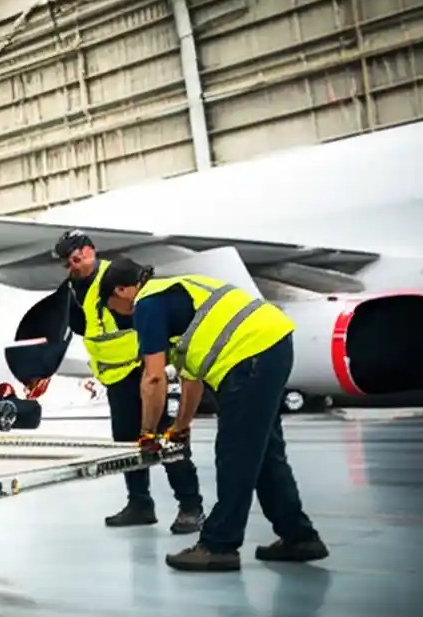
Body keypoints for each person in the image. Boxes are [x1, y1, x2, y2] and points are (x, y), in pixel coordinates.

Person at [98, 257, 329, 572]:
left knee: (235, 453)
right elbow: (190, 383)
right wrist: (179, 427)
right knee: (265, 453)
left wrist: (147, 432)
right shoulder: (181, 293)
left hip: (250, 356)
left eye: (112, 305)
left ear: (123, 290)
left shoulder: (148, 304)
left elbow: (153, 379)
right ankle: (299, 537)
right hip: (272, 344)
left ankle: (220, 545)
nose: (117, 314)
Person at [38, 231, 204, 533]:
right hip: (114, 376)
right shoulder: (75, 286)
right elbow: (85, 326)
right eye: (67, 263)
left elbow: (138, 317)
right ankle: (139, 503)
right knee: (127, 444)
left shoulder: (113, 277)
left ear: (90, 251)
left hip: (141, 369)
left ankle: (190, 507)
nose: (72, 266)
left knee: (166, 438)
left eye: (76, 259)